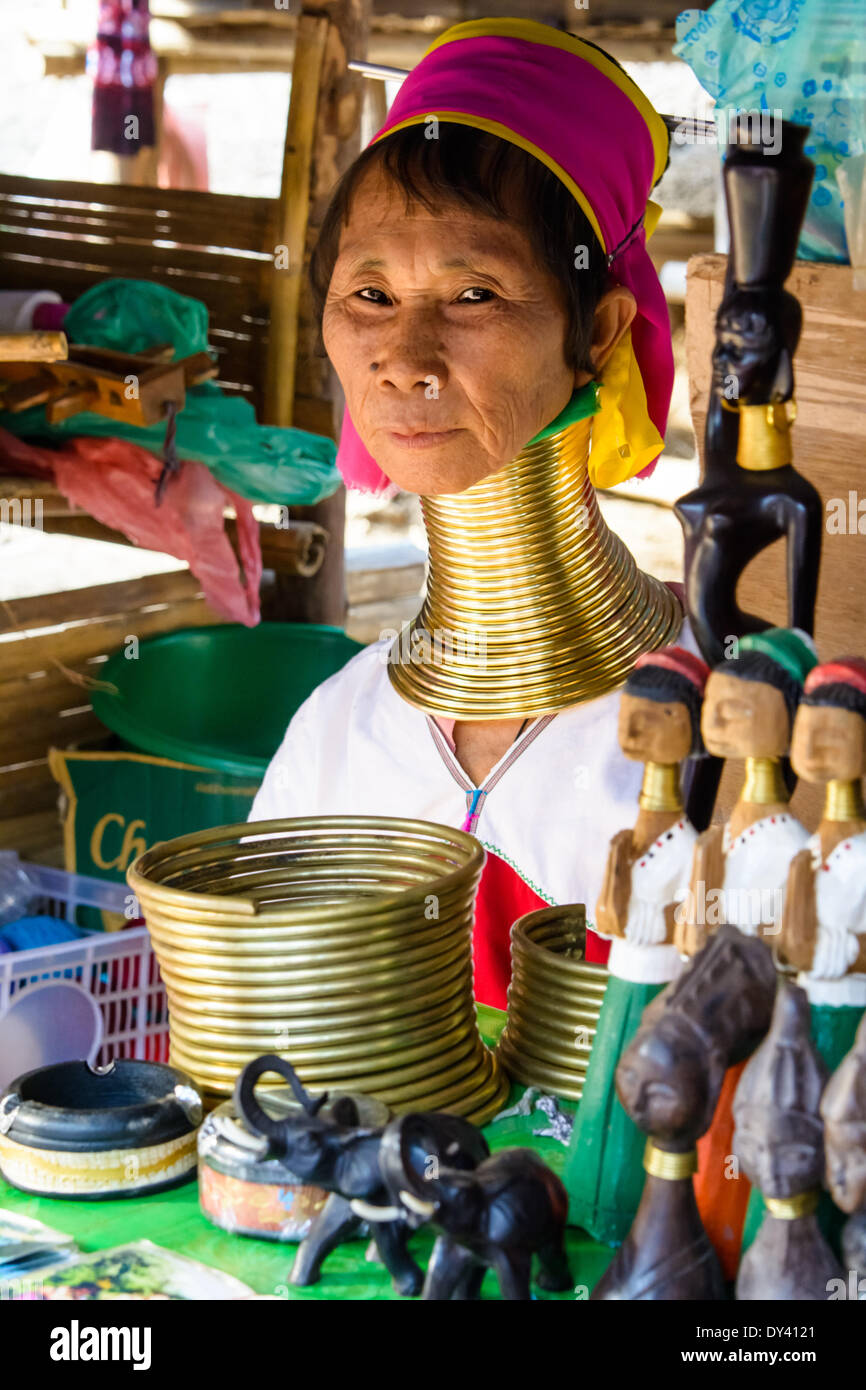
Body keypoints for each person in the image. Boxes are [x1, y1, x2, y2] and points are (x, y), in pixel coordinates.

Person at [251, 18, 693, 1009]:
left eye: (471, 293)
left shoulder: (715, 728)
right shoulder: (334, 738)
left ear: (600, 329)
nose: (403, 353)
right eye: (368, 292)